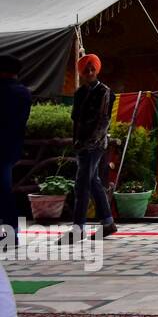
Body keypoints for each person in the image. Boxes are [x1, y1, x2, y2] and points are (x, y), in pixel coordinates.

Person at [61, 54, 116, 245]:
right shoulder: (79, 93)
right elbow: (76, 120)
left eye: (92, 69)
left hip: (95, 143)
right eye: (86, 70)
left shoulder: (106, 92)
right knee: (92, 182)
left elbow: (103, 121)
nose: (90, 72)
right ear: (82, 73)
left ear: (97, 70)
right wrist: (77, 141)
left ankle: (78, 229)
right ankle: (108, 223)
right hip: (82, 143)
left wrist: (91, 141)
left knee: (82, 183)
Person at [0, 54, 31, 249]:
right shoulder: (23, 93)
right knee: (4, 190)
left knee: (3, 191)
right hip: (12, 147)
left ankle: (11, 233)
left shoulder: (3, 91)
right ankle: (11, 232)